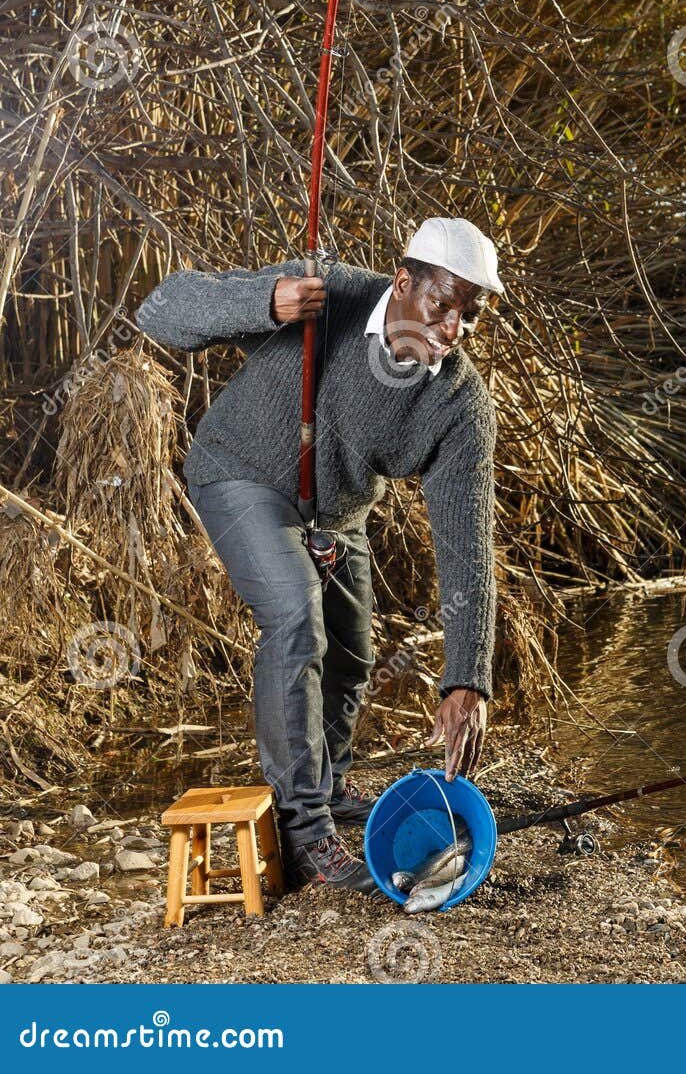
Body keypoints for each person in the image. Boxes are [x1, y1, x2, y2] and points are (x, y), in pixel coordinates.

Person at [134, 217, 502, 894]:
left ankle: (327, 783)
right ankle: (305, 831)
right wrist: (263, 302)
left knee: (353, 654)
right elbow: (160, 310)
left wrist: (466, 680)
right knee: (296, 617)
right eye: (442, 304)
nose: (453, 329)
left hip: (335, 511)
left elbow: (467, 545)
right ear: (402, 282)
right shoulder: (325, 292)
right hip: (240, 472)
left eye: (469, 315)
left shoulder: (459, 404)